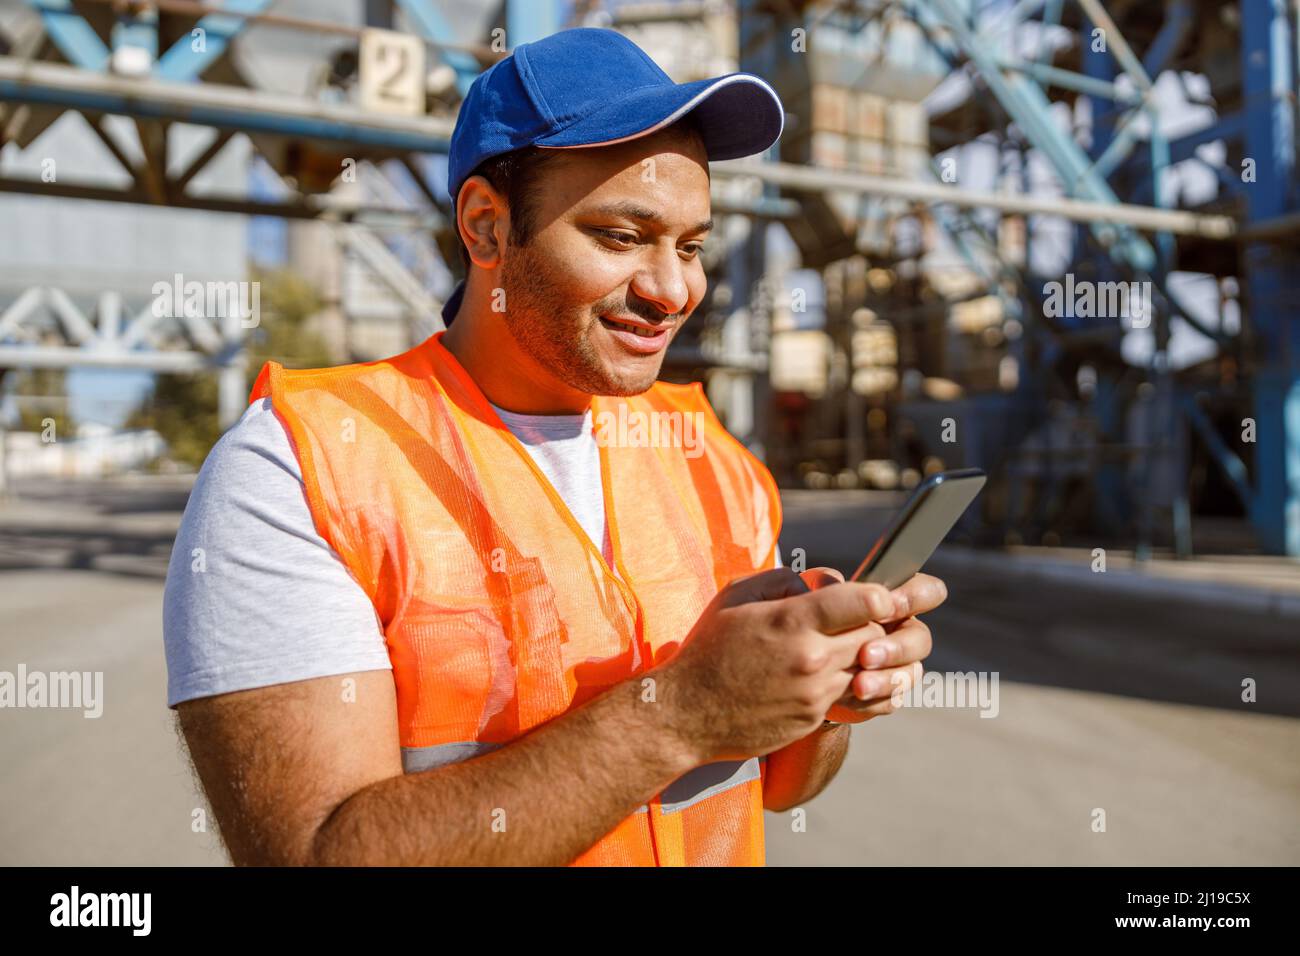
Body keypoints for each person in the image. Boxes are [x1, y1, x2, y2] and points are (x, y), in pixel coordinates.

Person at [163, 27, 947, 867]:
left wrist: (824, 693)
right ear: (486, 228)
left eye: (691, 247)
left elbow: (777, 782)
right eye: (620, 237)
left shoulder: (712, 459)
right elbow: (314, 856)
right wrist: (679, 713)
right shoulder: (300, 467)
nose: (672, 289)